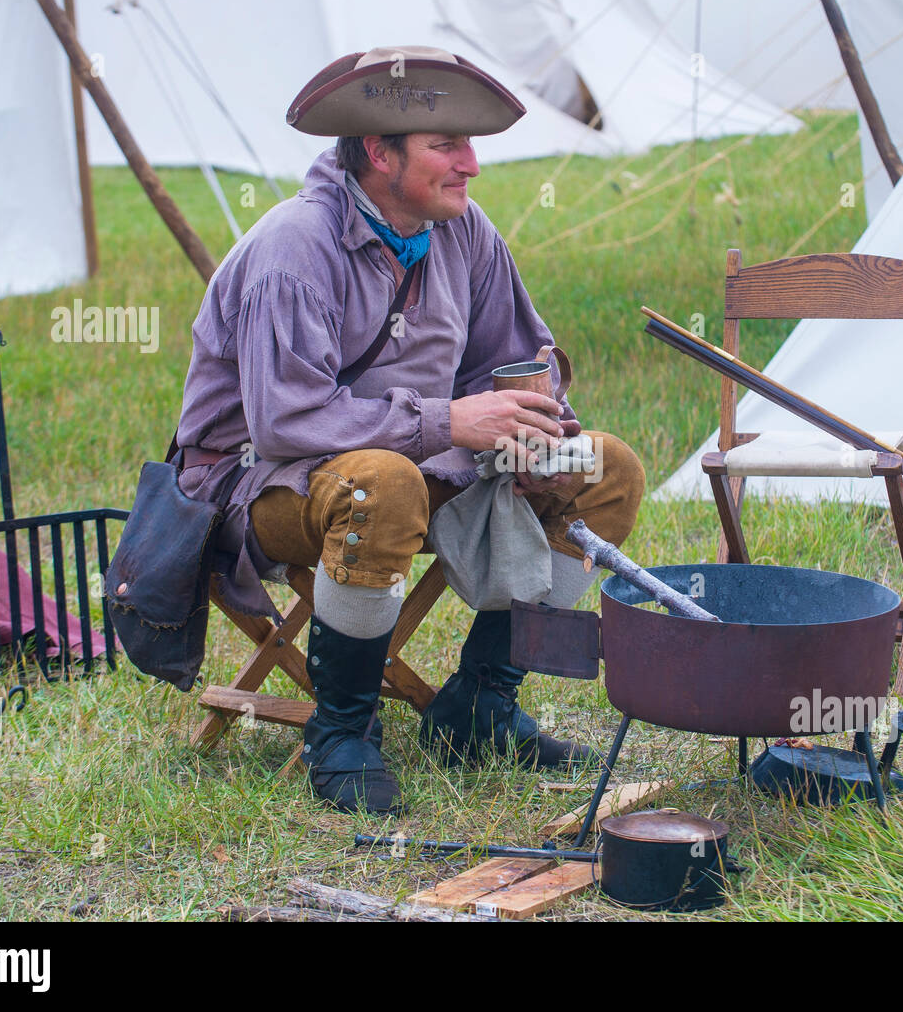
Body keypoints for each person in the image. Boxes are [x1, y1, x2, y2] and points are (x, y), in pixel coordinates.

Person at [173, 46, 644, 814]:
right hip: (263, 480)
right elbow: (287, 420)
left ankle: (483, 705)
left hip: (415, 464)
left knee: (604, 466)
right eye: (446, 146)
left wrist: (535, 428)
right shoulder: (292, 251)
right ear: (379, 154)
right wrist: (453, 420)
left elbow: (518, 356)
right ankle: (343, 731)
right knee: (381, 483)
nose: (472, 165)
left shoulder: (463, 230)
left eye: (469, 143)